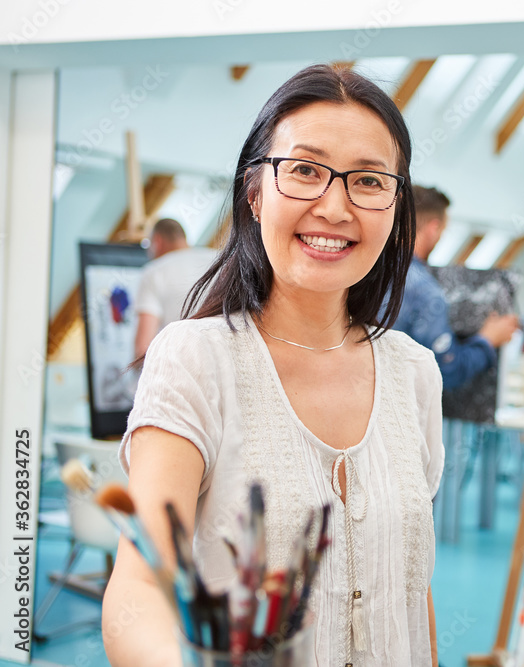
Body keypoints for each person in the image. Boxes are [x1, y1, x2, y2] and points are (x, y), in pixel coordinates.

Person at [103, 64, 443, 666]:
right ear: (255, 194)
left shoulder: (415, 373)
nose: (335, 207)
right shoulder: (197, 359)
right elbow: (140, 585)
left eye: (368, 181)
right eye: (306, 171)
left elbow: (413, 593)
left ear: (394, 207)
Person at [392, 185, 518, 389]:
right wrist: (487, 340)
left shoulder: (366, 271)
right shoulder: (425, 292)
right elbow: (444, 372)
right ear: (434, 228)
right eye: (443, 230)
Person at [133, 217, 217, 357]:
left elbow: (143, 349)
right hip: (229, 367)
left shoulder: (154, 272)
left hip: (183, 369)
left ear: (157, 242)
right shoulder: (220, 259)